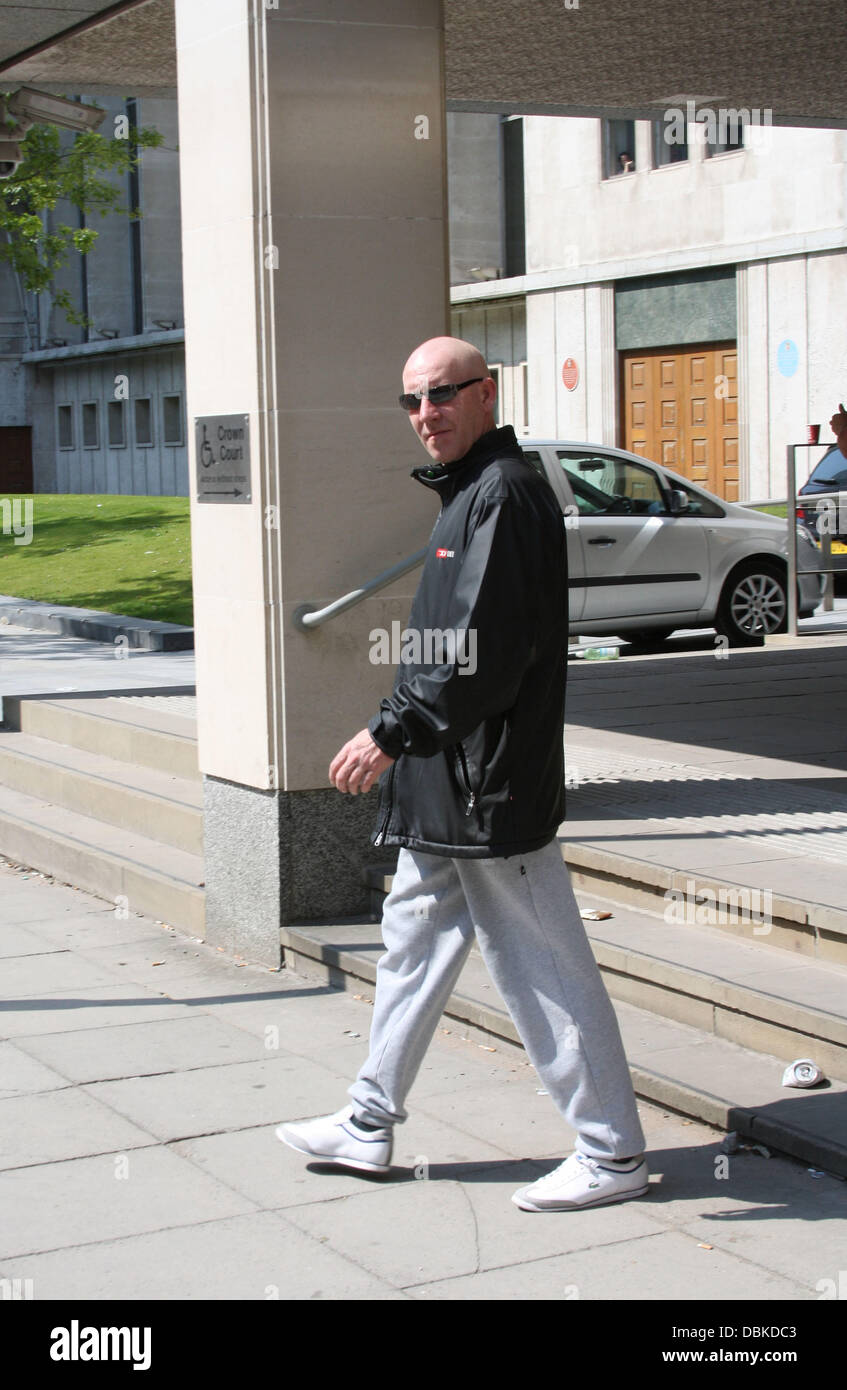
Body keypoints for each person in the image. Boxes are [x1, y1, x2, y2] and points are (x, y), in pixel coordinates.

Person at [277, 336, 648, 1211]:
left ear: (488, 394)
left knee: (541, 966)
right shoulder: (469, 495)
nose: (425, 414)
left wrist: (390, 732)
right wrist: (409, 744)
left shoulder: (505, 495)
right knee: (409, 943)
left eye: (442, 394)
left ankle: (612, 1155)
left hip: (489, 789)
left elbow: (479, 657)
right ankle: (368, 1121)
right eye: (410, 400)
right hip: (448, 786)